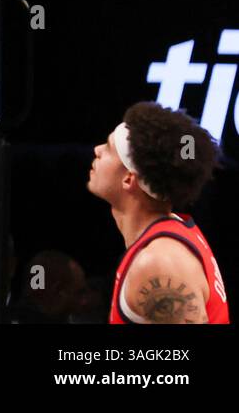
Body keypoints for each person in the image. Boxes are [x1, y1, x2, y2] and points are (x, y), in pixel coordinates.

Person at [87, 102, 229, 324]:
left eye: (108, 147)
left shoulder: (159, 263)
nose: (97, 150)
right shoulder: (166, 240)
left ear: (128, 179)